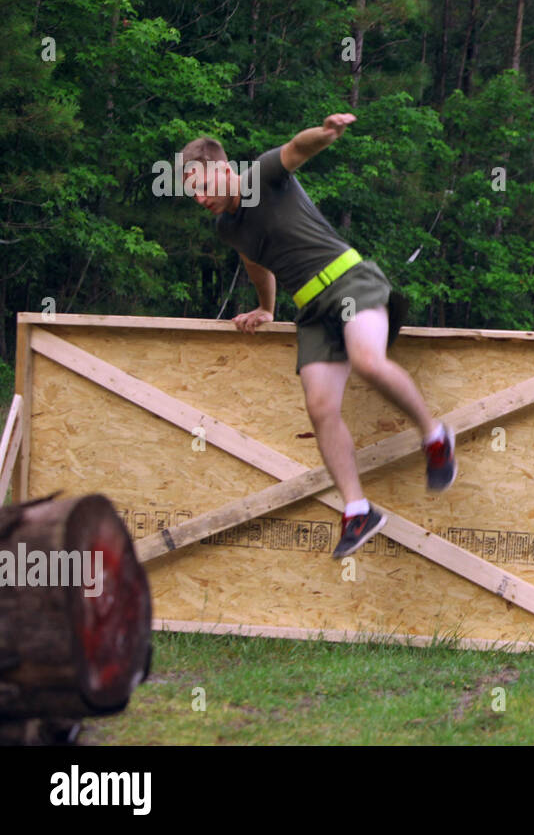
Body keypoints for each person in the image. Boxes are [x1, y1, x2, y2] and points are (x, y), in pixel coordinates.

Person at [181, 115, 457, 560]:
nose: (199, 198)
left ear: (223, 170)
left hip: (351, 282)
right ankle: (357, 509)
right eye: (190, 191)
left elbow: (298, 147)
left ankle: (435, 435)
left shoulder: (262, 176)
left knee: (367, 362)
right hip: (311, 311)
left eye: (202, 185)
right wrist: (267, 308)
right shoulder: (227, 228)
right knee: (320, 407)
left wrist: (328, 133)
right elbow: (255, 260)